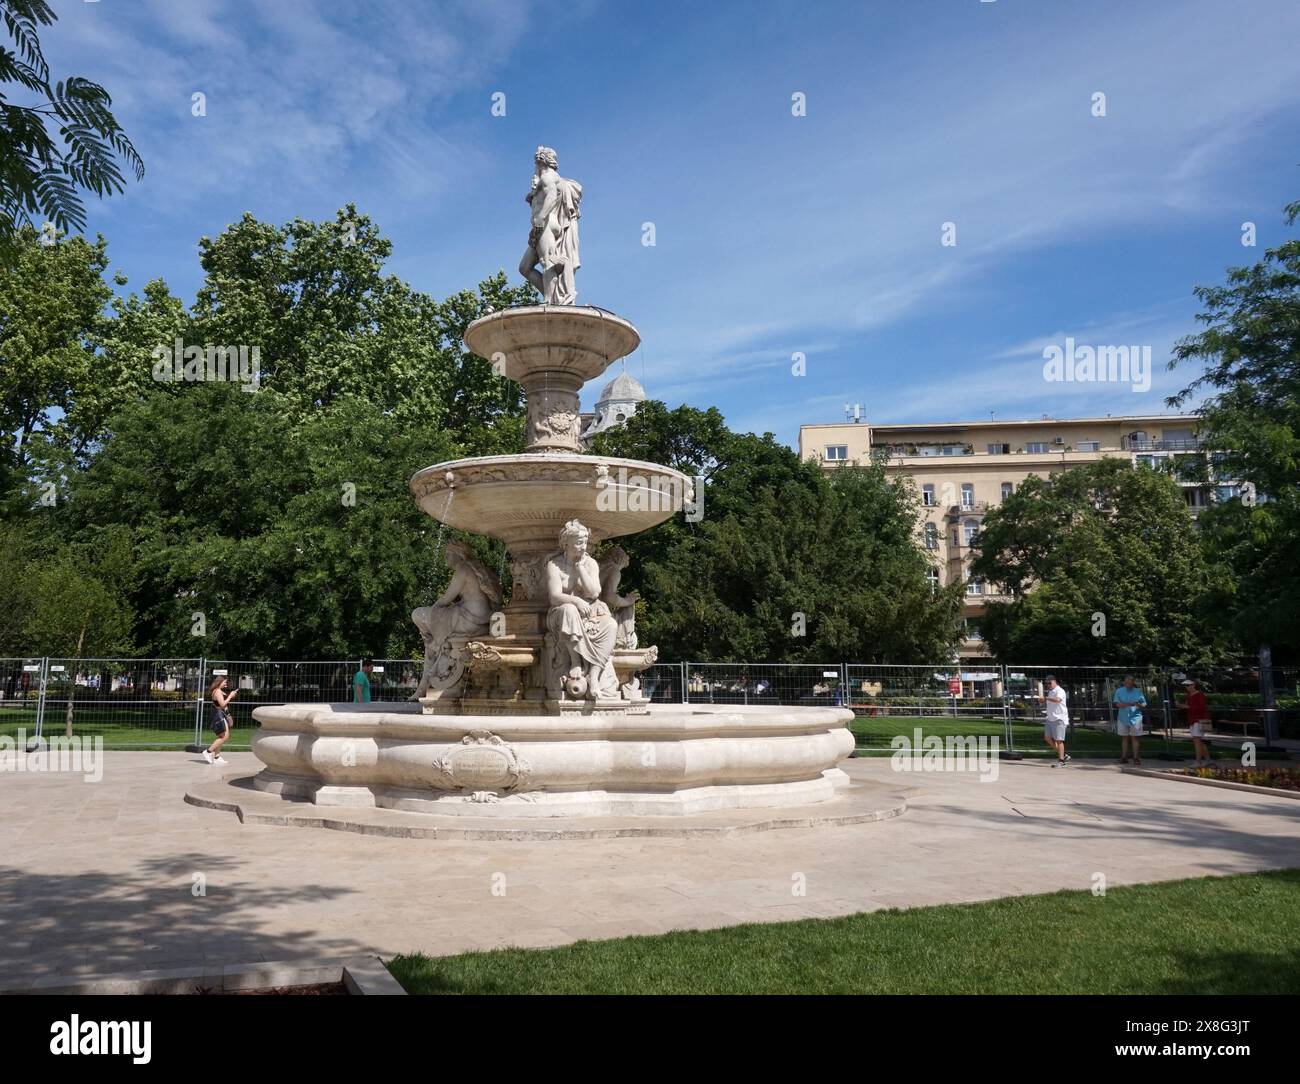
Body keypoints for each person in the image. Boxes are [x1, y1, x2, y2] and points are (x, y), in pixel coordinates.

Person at [1112, 674, 1148, 765]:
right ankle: (1124, 757)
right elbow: (1117, 704)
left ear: (1133, 683)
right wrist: (1128, 704)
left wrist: (1138, 705)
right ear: (1124, 682)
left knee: (1135, 738)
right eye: (1127, 682)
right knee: (1124, 738)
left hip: (1136, 718)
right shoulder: (1119, 691)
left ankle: (1136, 758)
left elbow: (1144, 705)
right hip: (1122, 718)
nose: (1129, 684)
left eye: (1131, 682)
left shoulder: (1138, 691)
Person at [204, 675, 237, 764]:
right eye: (224, 682)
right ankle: (208, 751)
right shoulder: (217, 691)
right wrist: (230, 696)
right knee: (224, 736)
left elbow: (223, 704)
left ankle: (217, 757)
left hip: (222, 714)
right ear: (220, 682)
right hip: (219, 715)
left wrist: (231, 696)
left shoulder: (219, 691)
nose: (226, 683)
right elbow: (222, 704)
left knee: (221, 736)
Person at [1039, 675, 1070, 766]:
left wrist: (1046, 698)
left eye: (1050, 683)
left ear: (1055, 681)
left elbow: (1057, 700)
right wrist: (1043, 700)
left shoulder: (1060, 691)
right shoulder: (1050, 692)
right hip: (1050, 718)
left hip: (1059, 718)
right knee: (1047, 738)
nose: (1048, 685)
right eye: (1047, 683)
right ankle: (1063, 755)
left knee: (1059, 740)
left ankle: (1061, 761)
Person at [1183, 679, 1212, 767]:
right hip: (1192, 720)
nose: (1187, 687)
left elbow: (1202, 708)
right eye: (1186, 686)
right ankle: (1208, 760)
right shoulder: (1189, 695)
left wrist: (1188, 707)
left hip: (1199, 720)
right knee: (1199, 741)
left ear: (1193, 685)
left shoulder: (1199, 695)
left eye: (1189, 685)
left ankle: (1198, 762)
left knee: (1197, 741)